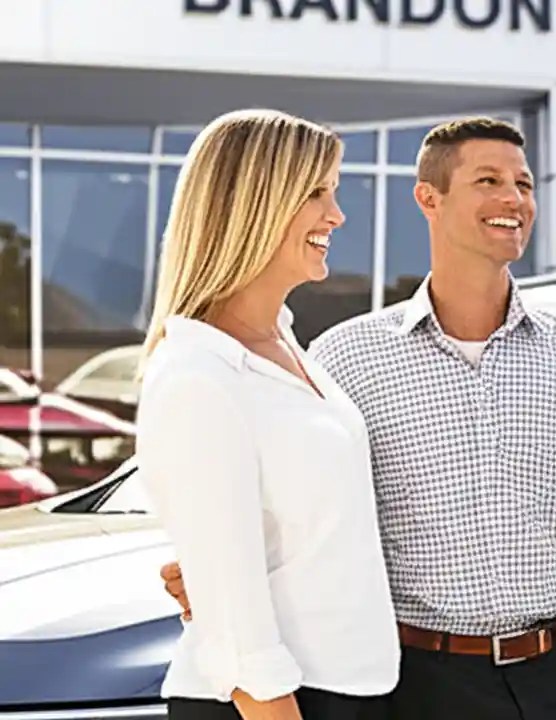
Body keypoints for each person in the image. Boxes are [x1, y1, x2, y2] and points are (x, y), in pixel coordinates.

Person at [161, 116, 556, 720]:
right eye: (488, 180)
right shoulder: (340, 359)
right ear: (429, 197)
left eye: (524, 184)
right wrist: (218, 579)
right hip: (417, 683)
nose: (513, 199)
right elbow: (285, 501)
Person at [136, 109, 401, 720]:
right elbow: (234, 622)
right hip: (273, 705)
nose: (335, 215)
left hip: (349, 693)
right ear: (252, 204)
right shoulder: (199, 377)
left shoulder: (287, 348)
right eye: (315, 193)